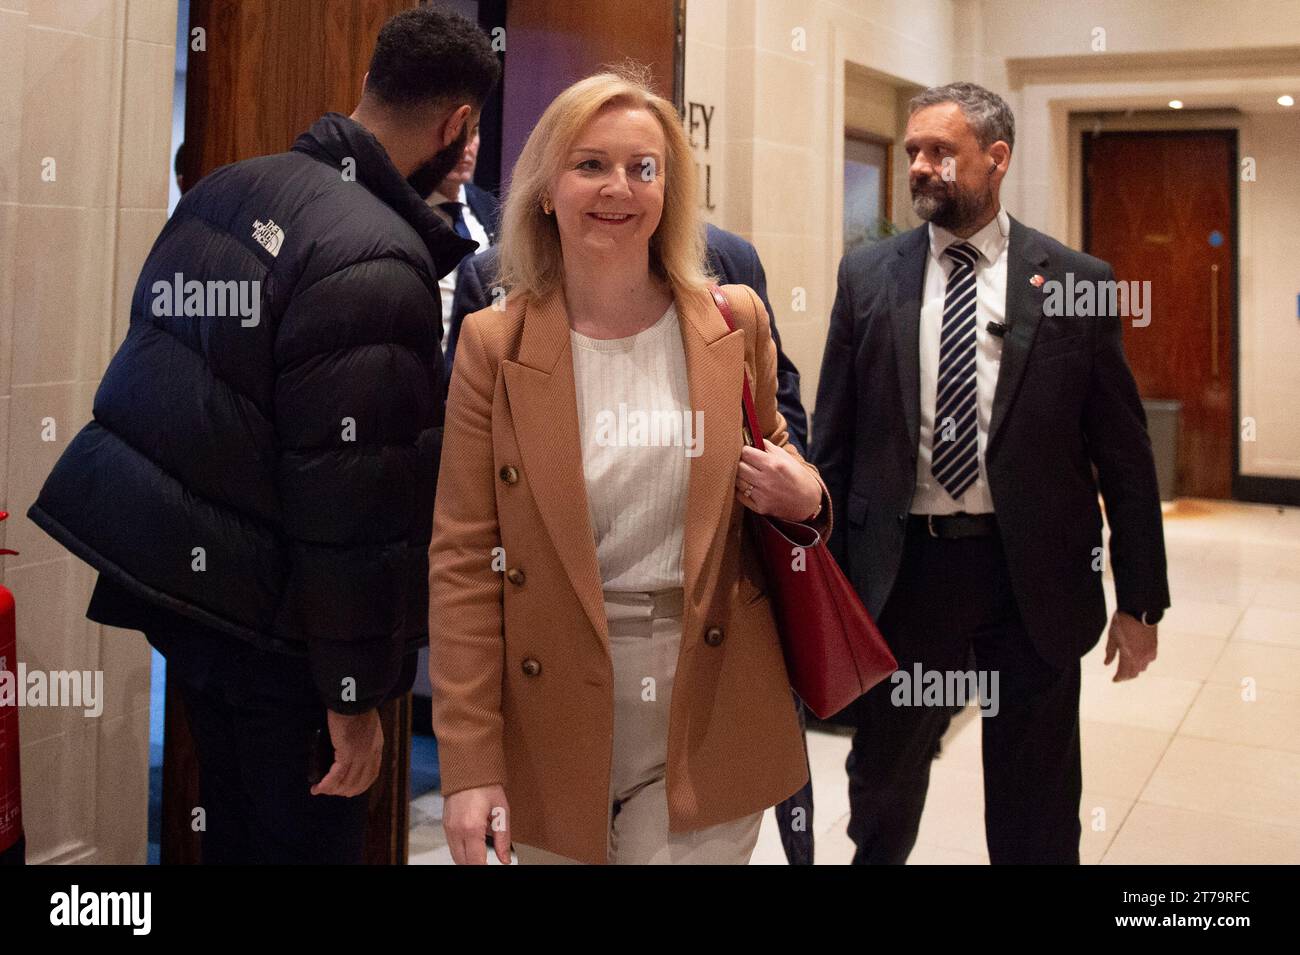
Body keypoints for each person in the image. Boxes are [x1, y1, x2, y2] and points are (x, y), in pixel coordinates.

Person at [26, 7, 500, 863]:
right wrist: (354, 697)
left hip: (193, 605)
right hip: (284, 643)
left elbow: (171, 383)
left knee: (233, 836)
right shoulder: (380, 258)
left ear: (367, 83)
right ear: (458, 125)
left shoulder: (224, 186)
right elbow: (350, 501)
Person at [430, 67, 831, 865]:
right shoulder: (492, 344)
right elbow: (464, 561)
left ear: (666, 189)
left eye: (642, 168)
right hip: (547, 696)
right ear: (547, 187)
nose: (619, 187)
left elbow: (785, 457)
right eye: (591, 165)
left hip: (708, 688)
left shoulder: (731, 321)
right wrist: (470, 765)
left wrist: (807, 490)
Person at [812, 81, 1169, 864]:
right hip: (905, 577)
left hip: (1029, 578)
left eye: (941, 151)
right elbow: (830, 448)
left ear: (996, 159)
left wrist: (1140, 598)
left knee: (1037, 804)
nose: (920, 167)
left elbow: (1124, 452)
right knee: (885, 784)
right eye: (913, 152)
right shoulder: (868, 278)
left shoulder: (1077, 279)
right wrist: (820, 591)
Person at [425, 129, 500, 357]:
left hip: (479, 369)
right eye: (457, 136)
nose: (466, 149)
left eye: (474, 134)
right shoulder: (401, 210)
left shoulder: (493, 209)